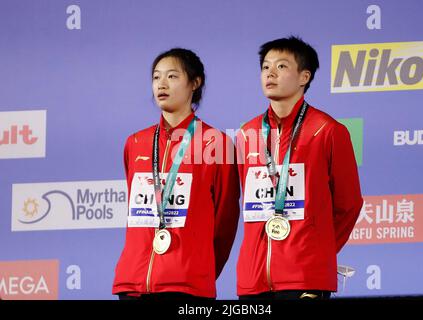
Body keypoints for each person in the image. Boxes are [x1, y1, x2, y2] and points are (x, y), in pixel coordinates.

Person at [235, 36, 363, 300]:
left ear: (304, 77)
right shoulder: (247, 134)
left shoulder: (328, 131)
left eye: (281, 66)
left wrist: (318, 253)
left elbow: (348, 204)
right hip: (253, 280)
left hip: (306, 277)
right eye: (265, 67)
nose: (270, 72)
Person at [112, 48, 240, 300]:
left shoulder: (215, 143)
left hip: (185, 285)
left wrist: (199, 271)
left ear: (195, 82)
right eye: (156, 77)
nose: (161, 84)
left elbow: (225, 220)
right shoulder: (136, 142)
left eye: (172, 76)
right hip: (132, 284)